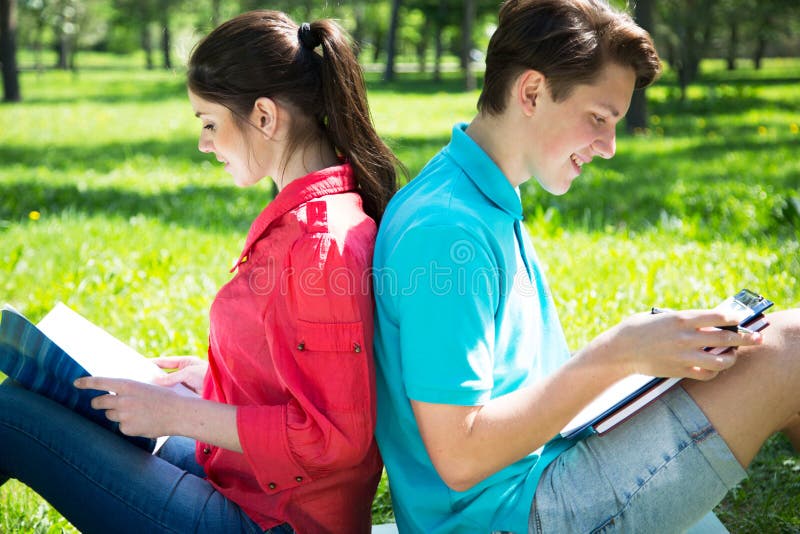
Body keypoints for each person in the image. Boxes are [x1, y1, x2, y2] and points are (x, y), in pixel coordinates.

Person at [371, 0, 800, 532]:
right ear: (531, 92)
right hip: (512, 513)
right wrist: (618, 355)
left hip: (538, 474)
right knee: (793, 347)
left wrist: (645, 365)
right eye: (598, 119)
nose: (610, 147)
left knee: (760, 353)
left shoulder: (477, 198)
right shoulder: (448, 231)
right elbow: (460, 457)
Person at [0, 10, 400, 534]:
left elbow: (336, 439)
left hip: (275, 520)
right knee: (35, 394)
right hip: (249, 486)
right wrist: (214, 383)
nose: (204, 144)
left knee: (9, 417)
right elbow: (305, 379)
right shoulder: (312, 219)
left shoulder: (318, 244)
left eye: (209, 123)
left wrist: (174, 414)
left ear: (263, 115)